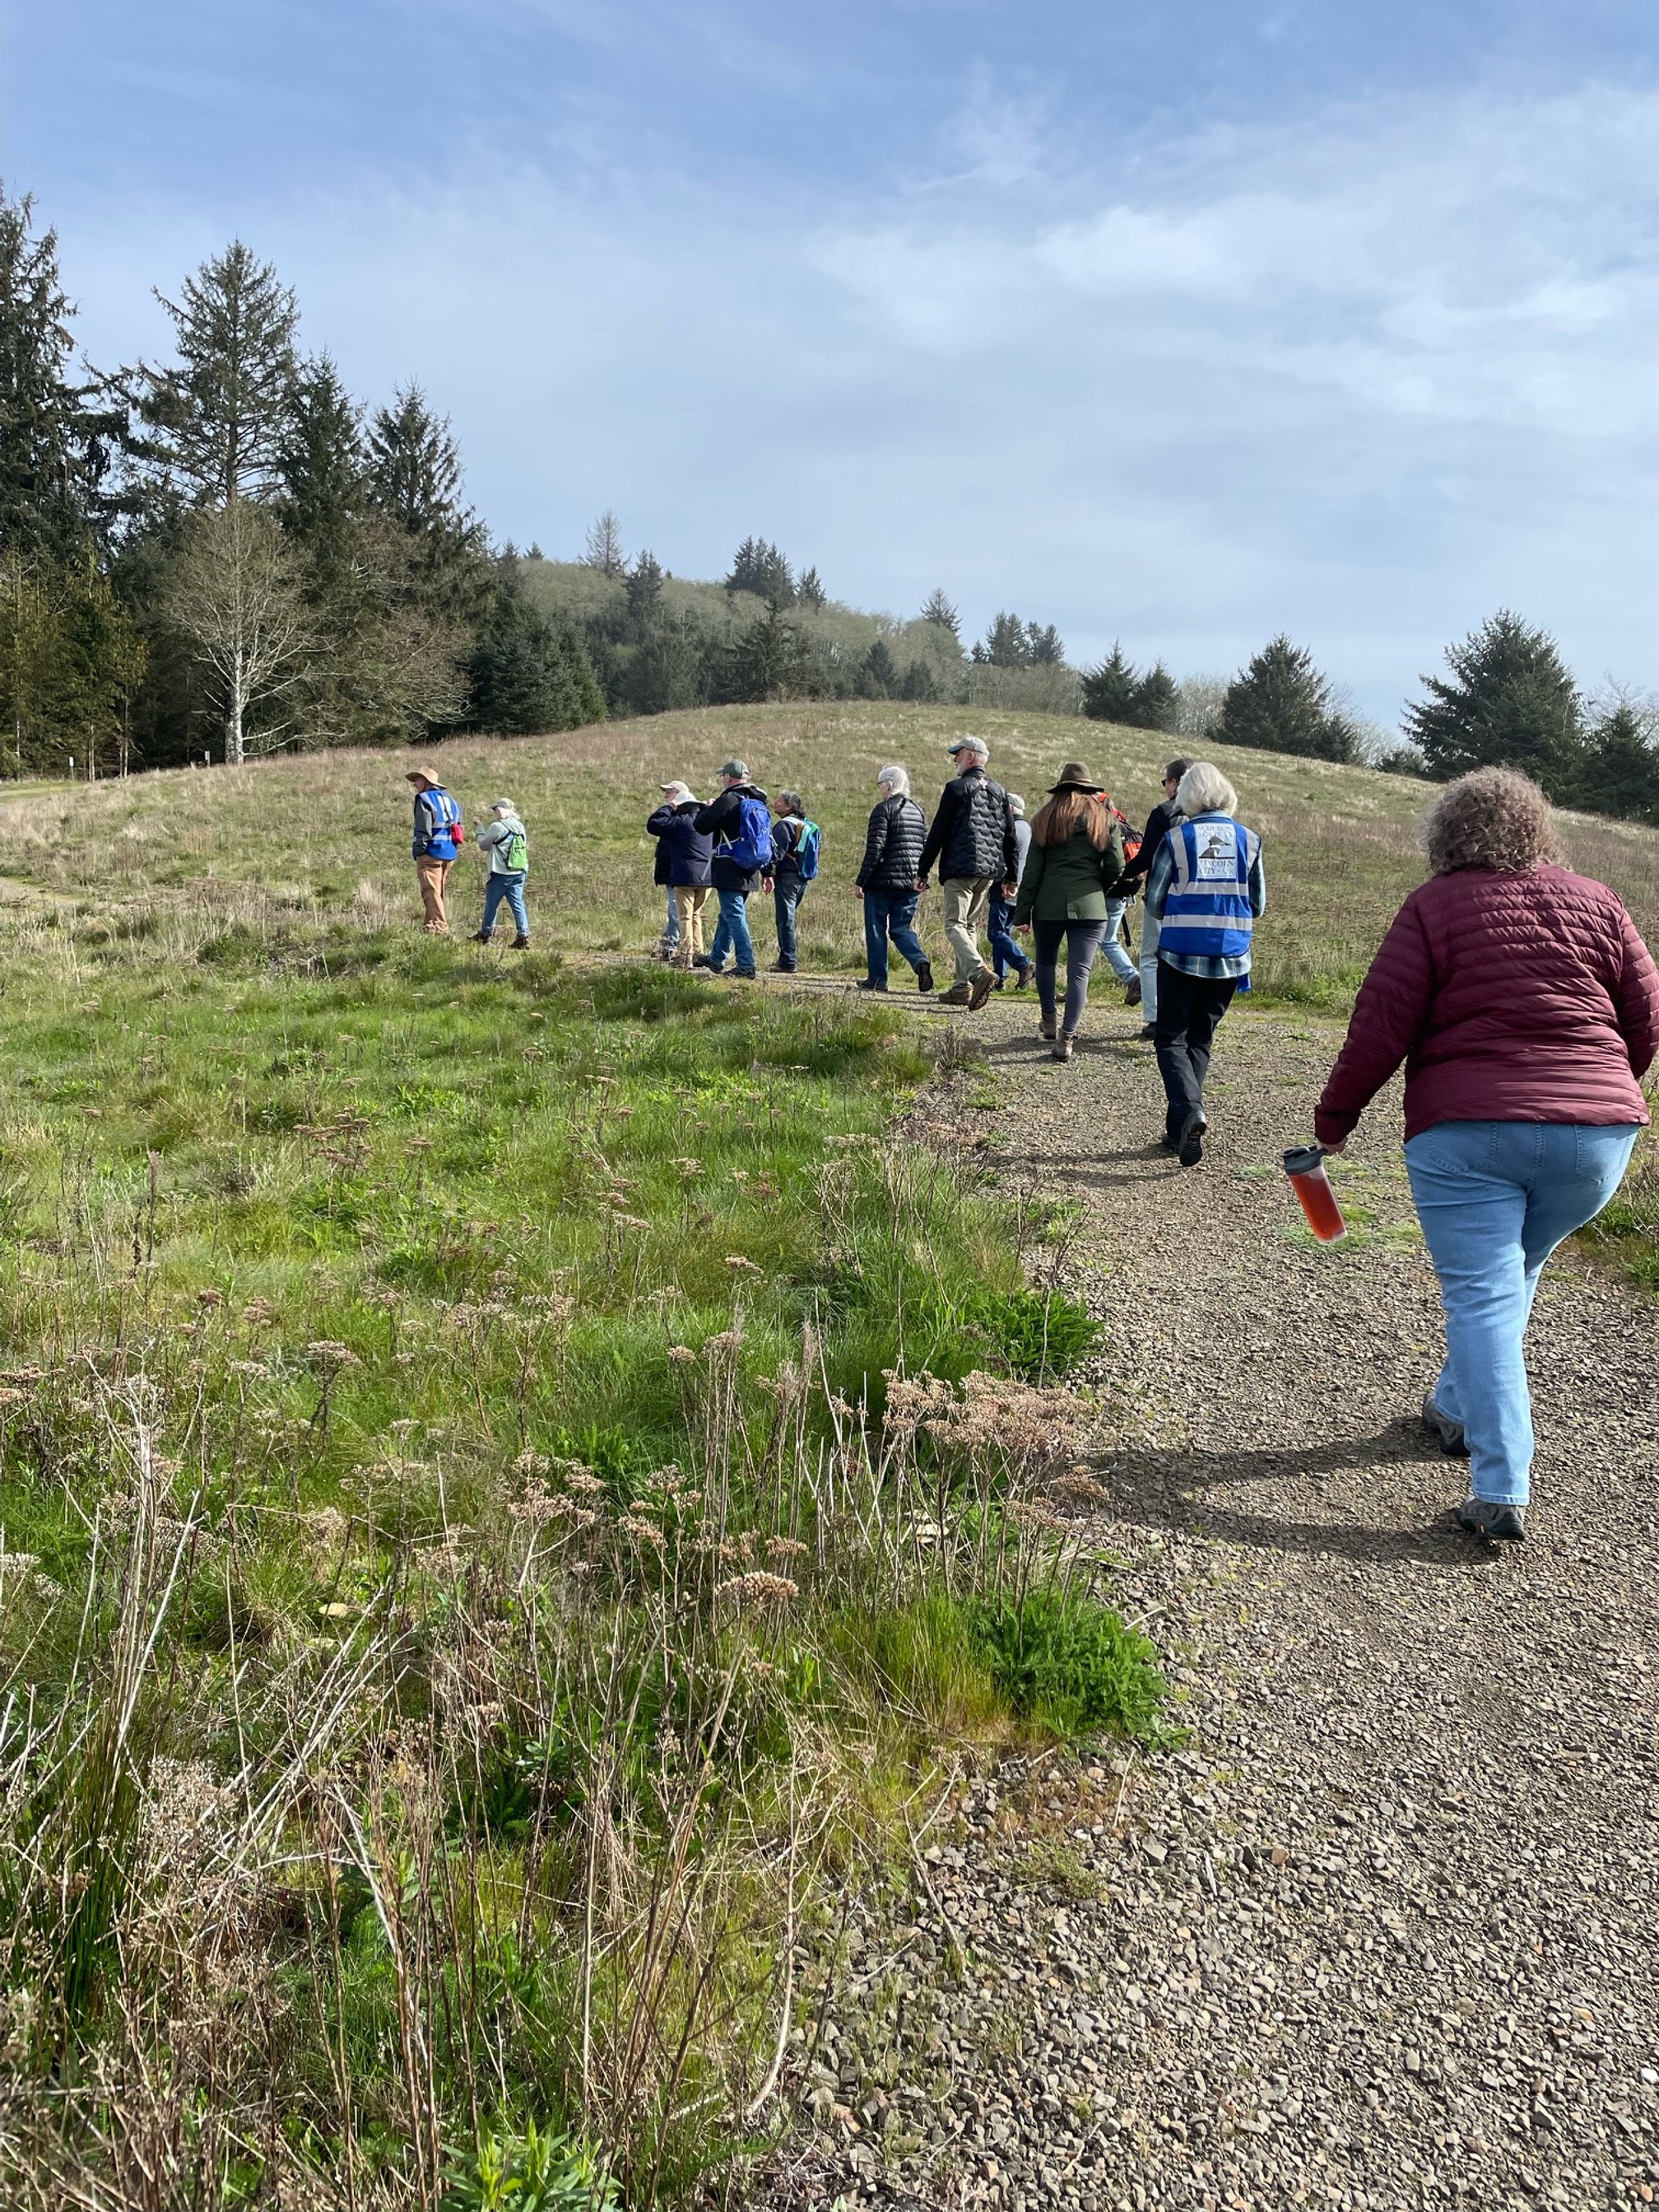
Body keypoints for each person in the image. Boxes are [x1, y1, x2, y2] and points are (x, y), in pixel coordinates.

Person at [1313, 767, 1657, 1543]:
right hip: (1598, 1137)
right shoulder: (1598, 899)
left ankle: (1501, 1485)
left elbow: (1380, 1025)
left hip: (1466, 1132)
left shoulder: (1434, 907)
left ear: (1446, 834)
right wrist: (1599, 1093)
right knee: (1511, 1276)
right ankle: (1455, 1407)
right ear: (1538, 827)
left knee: (1483, 1295)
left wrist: (1334, 1121)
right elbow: (1647, 1014)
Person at [1143, 761, 1266, 1165]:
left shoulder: (1177, 838)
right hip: (1231, 955)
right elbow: (1259, 905)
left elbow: (1155, 900)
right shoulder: (1249, 840)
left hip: (1181, 953)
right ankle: (1178, 1128)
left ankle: (1191, 1111)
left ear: (1187, 796)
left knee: (1170, 1036)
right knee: (1200, 1037)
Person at [1010, 763, 1127, 1060]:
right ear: (1089, 789)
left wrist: (1022, 914)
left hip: (1048, 904)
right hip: (1090, 906)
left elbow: (1032, 872)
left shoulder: (1044, 818)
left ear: (1060, 788)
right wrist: (1098, 887)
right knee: (1080, 972)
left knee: (1046, 962)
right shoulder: (1104, 819)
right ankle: (1067, 1036)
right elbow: (1117, 865)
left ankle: (1049, 1020)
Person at [917, 737, 1019, 1009]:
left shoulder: (956, 788)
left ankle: (979, 973)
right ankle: (962, 988)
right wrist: (1012, 877)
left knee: (953, 924)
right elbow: (1010, 836)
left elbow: (938, 832)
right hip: (989, 870)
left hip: (961, 867)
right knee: (969, 925)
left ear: (971, 756)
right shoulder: (1000, 791)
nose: (954, 759)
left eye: (958, 754)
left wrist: (923, 870)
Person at [1121, 756, 1191, 1037]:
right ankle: (1182, 1017)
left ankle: (1155, 1018)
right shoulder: (1204, 813)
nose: (1165, 787)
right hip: (1194, 896)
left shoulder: (1164, 813)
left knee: (1151, 955)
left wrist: (1123, 873)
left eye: (1166, 782)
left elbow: (1147, 857)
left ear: (1174, 782)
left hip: (1163, 893)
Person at [854, 764, 933, 993]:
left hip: (882, 882)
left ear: (888, 784)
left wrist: (862, 881)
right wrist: (922, 877)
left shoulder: (882, 810)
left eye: (880, 785)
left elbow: (875, 848)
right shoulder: (918, 811)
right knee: (901, 929)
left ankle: (878, 979)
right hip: (911, 881)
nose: (880, 789)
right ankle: (919, 961)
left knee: (876, 929)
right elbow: (925, 847)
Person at [692, 759, 771, 979]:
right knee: (728, 914)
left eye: (722, 776)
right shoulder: (758, 801)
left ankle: (747, 965)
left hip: (729, 866)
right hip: (751, 866)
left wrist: (708, 808)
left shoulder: (727, 800)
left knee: (734, 915)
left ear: (728, 777)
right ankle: (717, 959)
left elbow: (701, 826)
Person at [646, 782, 713, 969]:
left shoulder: (680, 822)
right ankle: (698, 953)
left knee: (684, 916)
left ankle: (685, 956)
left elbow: (653, 824)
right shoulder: (707, 823)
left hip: (684, 877)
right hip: (707, 877)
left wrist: (669, 807)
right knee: (696, 916)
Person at [764, 789, 820, 974]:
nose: (774, 803)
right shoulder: (803, 824)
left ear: (789, 806)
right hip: (802, 878)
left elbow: (776, 854)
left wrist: (769, 875)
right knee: (788, 918)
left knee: (785, 920)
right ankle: (786, 958)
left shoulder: (783, 826)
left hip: (787, 877)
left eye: (778, 801)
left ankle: (788, 961)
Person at [407, 766, 463, 934]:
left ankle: (440, 927)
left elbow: (423, 829)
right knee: (438, 892)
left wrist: (418, 851)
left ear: (426, 782)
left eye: (417, 780)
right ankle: (430, 926)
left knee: (430, 892)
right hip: (449, 852)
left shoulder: (424, 799)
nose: (415, 784)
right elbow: (459, 826)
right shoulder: (452, 801)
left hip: (431, 852)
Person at [988, 795, 1034, 990]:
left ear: (1011, 808)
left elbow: (1002, 857)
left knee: (995, 932)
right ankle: (1000, 977)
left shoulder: (1010, 829)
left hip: (1005, 885)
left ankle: (1024, 964)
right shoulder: (1029, 829)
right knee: (1004, 932)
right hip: (1022, 887)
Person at [471, 798, 530, 948]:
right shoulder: (520, 826)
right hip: (519, 871)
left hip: (500, 873)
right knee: (517, 904)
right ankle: (523, 936)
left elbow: (484, 845)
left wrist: (479, 829)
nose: (495, 813)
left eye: (496, 810)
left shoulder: (497, 827)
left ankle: (485, 934)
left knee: (492, 904)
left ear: (502, 810)